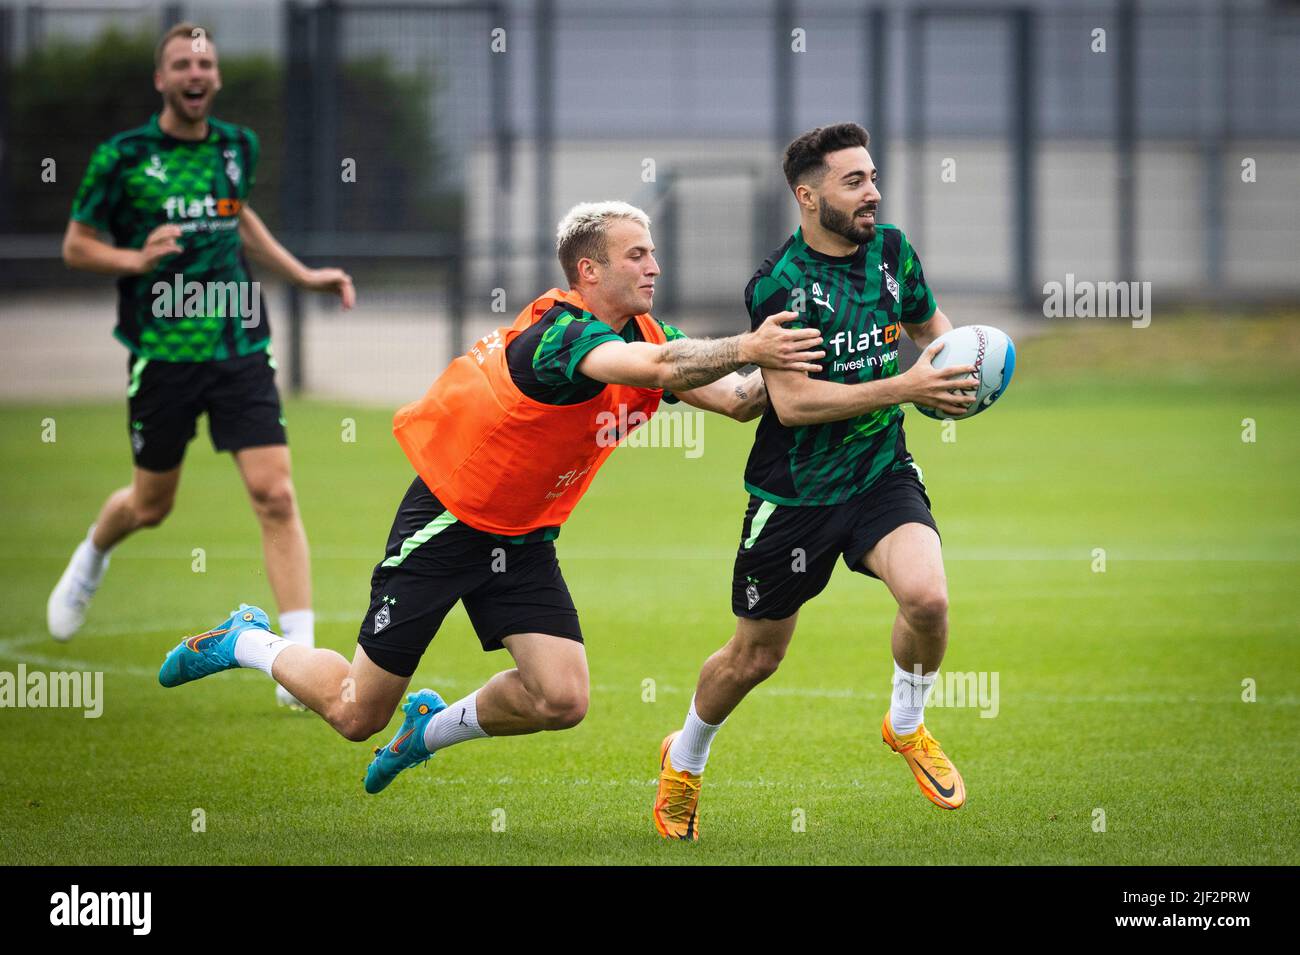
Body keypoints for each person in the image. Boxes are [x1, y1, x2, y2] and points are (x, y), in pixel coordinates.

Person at [158, 200, 824, 795]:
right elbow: (657, 371)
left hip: (523, 537)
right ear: (589, 271)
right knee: (355, 711)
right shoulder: (560, 338)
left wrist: (806, 357)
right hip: (448, 523)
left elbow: (737, 401)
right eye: (637, 253)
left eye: (653, 251)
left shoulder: (649, 334)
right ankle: (245, 638)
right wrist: (750, 343)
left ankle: (429, 731)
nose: (655, 265)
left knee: (562, 698)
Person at [654, 123, 982, 840]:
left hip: (879, 475)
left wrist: (960, 373)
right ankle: (684, 759)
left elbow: (933, 330)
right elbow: (794, 405)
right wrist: (905, 385)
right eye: (853, 181)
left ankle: (906, 724)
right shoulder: (782, 285)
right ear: (808, 196)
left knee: (928, 597)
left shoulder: (892, 252)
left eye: (872, 177)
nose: (873, 193)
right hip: (794, 495)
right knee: (754, 657)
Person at [48, 23, 355, 708]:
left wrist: (303, 275)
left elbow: (240, 219)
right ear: (161, 78)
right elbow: (75, 246)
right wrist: (134, 259)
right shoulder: (122, 157)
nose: (195, 72)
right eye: (182, 62)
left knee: (274, 492)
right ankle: (93, 554)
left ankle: (296, 659)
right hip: (163, 354)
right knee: (151, 504)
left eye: (206, 62)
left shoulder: (236, 145)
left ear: (215, 78)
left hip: (239, 343)